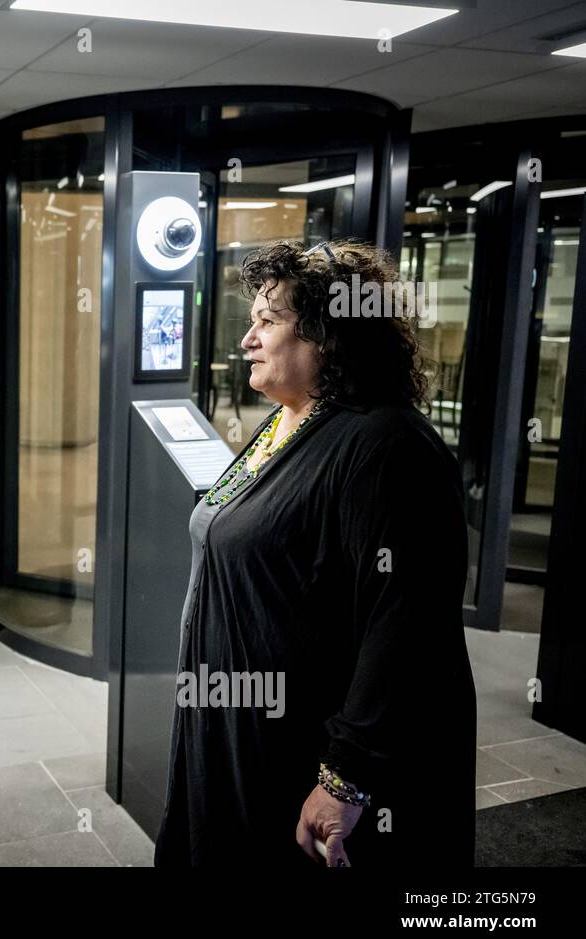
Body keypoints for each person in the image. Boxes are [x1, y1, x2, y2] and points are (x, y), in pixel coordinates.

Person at [154, 239, 477, 867]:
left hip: (298, 748)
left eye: (268, 322)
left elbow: (406, 630)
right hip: (233, 725)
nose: (248, 339)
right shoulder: (287, 422)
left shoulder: (387, 448)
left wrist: (343, 779)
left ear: (328, 337)